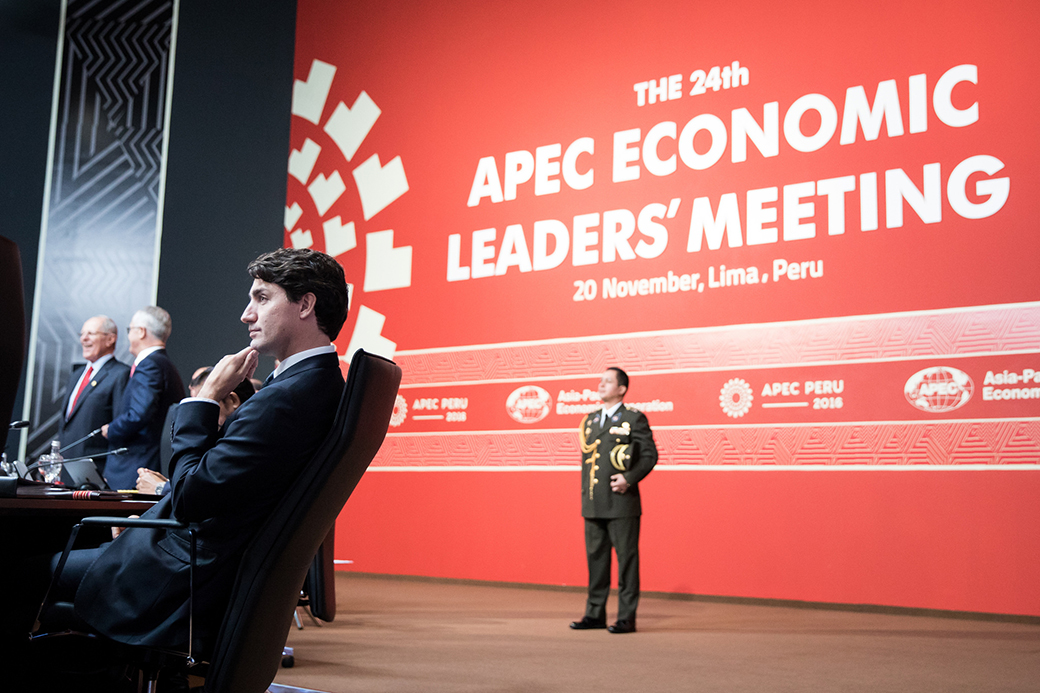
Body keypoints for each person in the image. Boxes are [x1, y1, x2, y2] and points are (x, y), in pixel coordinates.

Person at [42, 247, 349, 655]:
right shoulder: (314, 385)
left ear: (305, 304)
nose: (246, 313)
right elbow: (230, 486)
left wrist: (206, 398)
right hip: (195, 562)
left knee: (23, 569)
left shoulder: (287, 399)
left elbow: (190, 498)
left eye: (262, 297)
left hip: (178, 573)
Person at [570, 367, 657, 634]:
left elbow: (649, 455)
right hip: (595, 501)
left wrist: (629, 479)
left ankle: (626, 617)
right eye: (600, 380)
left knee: (626, 561)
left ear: (621, 389)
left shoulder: (633, 418)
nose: (601, 385)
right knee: (596, 560)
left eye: (608, 381)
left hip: (621, 502)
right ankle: (594, 613)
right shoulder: (591, 420)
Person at [101, 306, 186, 489]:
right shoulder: (163, 363)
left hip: (137, 465)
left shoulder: (150, 365)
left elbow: (139, 414)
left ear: (141, 332)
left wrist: (112, 429)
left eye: (130, 330)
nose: (129, 336)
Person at [141, 374, 256, 497]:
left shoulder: (243, 444)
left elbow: (208, 496)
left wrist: (161, 488)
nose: (195, 414)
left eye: (204, 403)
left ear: (232, 401)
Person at [56, 315, 130, 480]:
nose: (84, 339)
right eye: (82, 334)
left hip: (94, 474)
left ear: (110, 339)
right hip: (64, 471)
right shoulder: (76, 375)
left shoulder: (120, 374)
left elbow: (119, 426)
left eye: (91, 333)